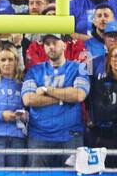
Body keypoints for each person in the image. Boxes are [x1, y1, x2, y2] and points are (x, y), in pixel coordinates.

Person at [21, 32, 90, 165]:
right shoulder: (34, 70)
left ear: (64, 45)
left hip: (70, 135)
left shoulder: (78, 68)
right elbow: (28, 99)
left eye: (55, 42)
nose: (51, 47)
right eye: (47, 44)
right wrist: (64, 96)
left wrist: (47, 90)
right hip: (39, 136)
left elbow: (79, 95)